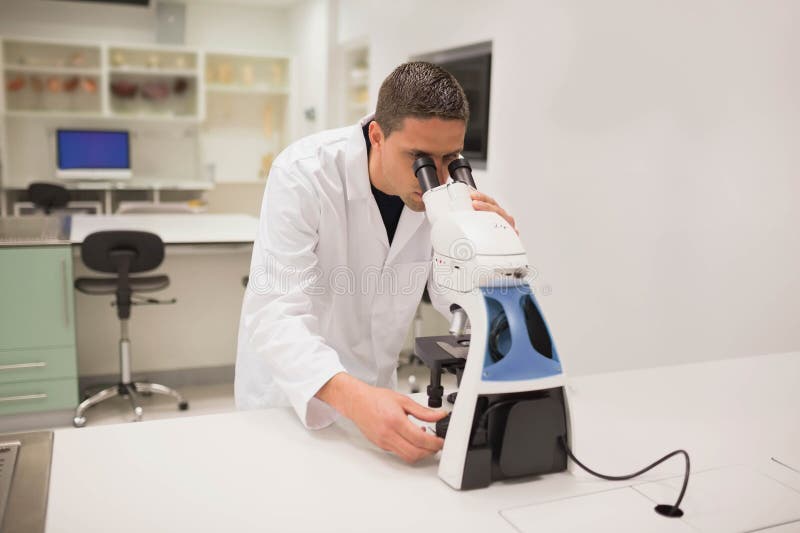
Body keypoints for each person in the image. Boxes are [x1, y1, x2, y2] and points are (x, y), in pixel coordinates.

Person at [236, 62, 517, 464]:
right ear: (377, 135)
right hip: (293, 396)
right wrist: (356, 400)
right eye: (419, 159)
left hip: (380, 399)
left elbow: (453, 298)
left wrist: (492, 256)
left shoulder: (445, 192)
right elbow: (275, 312)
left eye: (450, 157)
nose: (436, 177)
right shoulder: (303, 174)